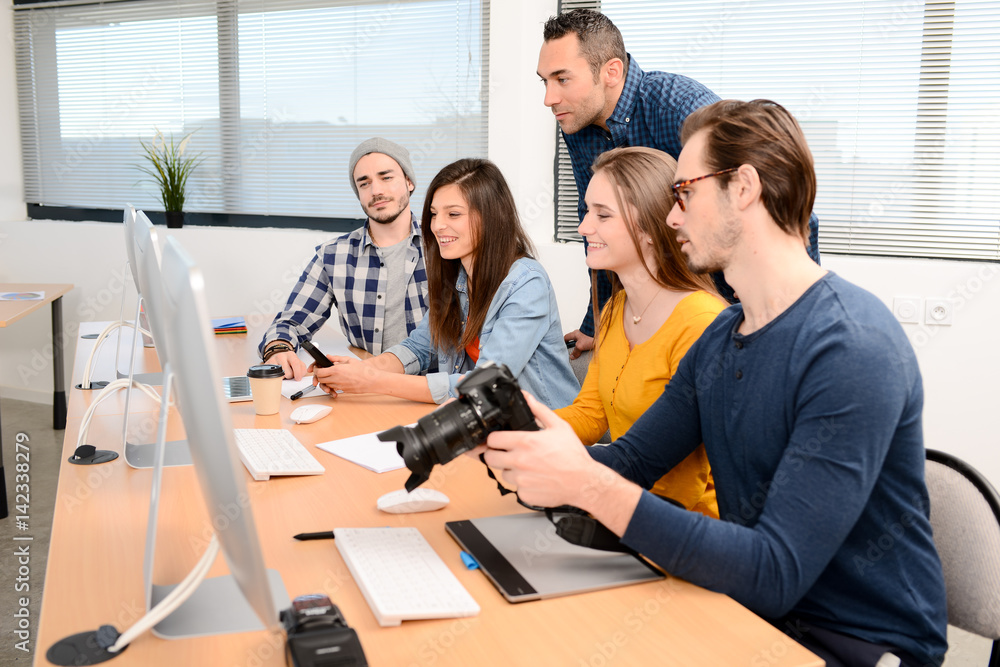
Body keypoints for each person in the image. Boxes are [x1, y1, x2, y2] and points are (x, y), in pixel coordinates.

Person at [482, 100, 947, 666]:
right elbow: (632, 460)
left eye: (685, 193)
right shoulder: (724, 336)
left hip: (857, 639)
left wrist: (586, 483)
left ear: (743, 188)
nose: (672, 217)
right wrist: (533, 445)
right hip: (752, 608)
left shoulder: (851, 347)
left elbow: (775, 569)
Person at [537, 9, 820, 359]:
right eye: (544, 81)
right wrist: (597, 323)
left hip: (731, 301)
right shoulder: (578, 121)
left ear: (611, 72)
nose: (549, 98)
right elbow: (596, 228)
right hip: (666, 301)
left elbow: (787, 206)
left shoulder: (679, 106)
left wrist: (783, 309)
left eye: (562, 79)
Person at [315, 158, 579, 409]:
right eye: (433, 214)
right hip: (483, 420)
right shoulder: (457, 277)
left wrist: (371, 381)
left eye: (453, 214)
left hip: (545, 427)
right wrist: (358, 371)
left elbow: (486, 384)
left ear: (491, 217)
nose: (437, 225)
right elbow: (418, 347)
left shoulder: (526, 283)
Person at [554, 146, 724, 517]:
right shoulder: (615, 309)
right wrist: (524, 427)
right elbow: (591, 415)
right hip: (622, 503)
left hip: (683, 523)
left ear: (650, 227)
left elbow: (681, 484)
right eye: (586, 211)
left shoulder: (701, 321)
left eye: (603, 215)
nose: (584, 227)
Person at [259, 137, 429, 380]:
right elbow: (292, 322)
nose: (376, 190)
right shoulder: (333, 256)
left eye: (386, 177)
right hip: (365, 389)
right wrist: (278, 348)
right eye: (364, 183)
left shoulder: (443, 246)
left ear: (409, 182)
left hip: (432, 390)